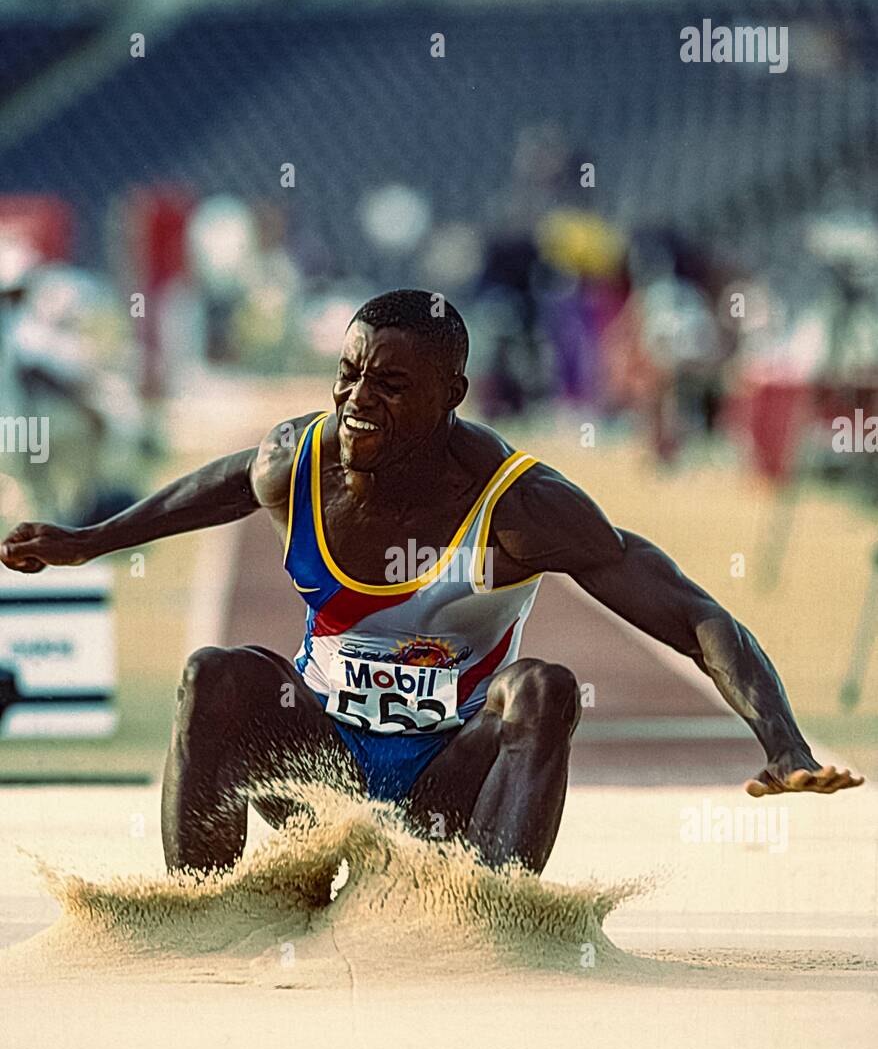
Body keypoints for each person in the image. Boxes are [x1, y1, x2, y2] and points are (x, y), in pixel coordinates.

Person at [0, 290, 863, 875]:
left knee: (544, 690)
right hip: (319, 765)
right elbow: (215, 488)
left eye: (391, 384)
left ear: (450, 395)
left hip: (453, 780)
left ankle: (493, 921)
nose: (356, 400)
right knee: (213, 675)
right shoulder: (293, 460)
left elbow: (692, 615)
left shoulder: (521, 506)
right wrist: (92, 540)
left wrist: (781, 741)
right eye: (349, 374)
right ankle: (203, 917)